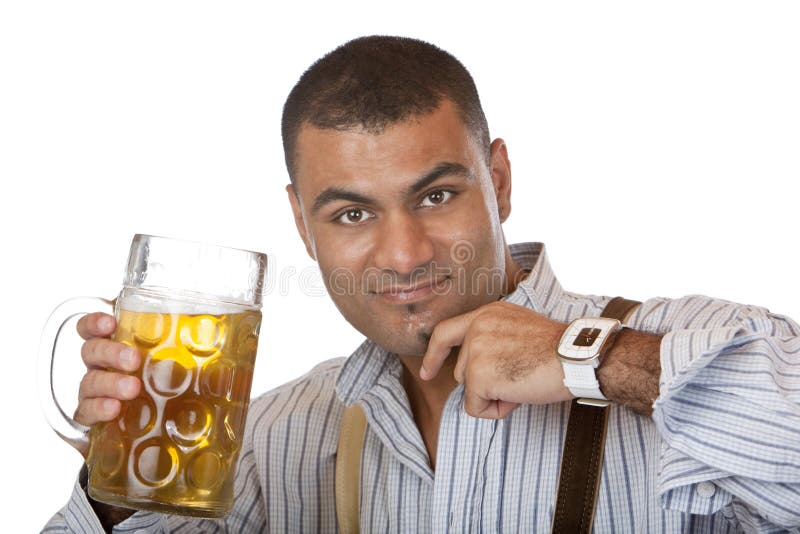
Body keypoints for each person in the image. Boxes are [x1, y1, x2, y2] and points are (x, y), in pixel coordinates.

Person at [44, 35, 800, 533]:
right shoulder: (269, 439)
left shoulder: (696, 347)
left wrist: (592, 359)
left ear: (499, 181)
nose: (404, 255)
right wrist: (122, 474)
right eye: (352, 214)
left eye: (436, 196)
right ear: (303, 225)